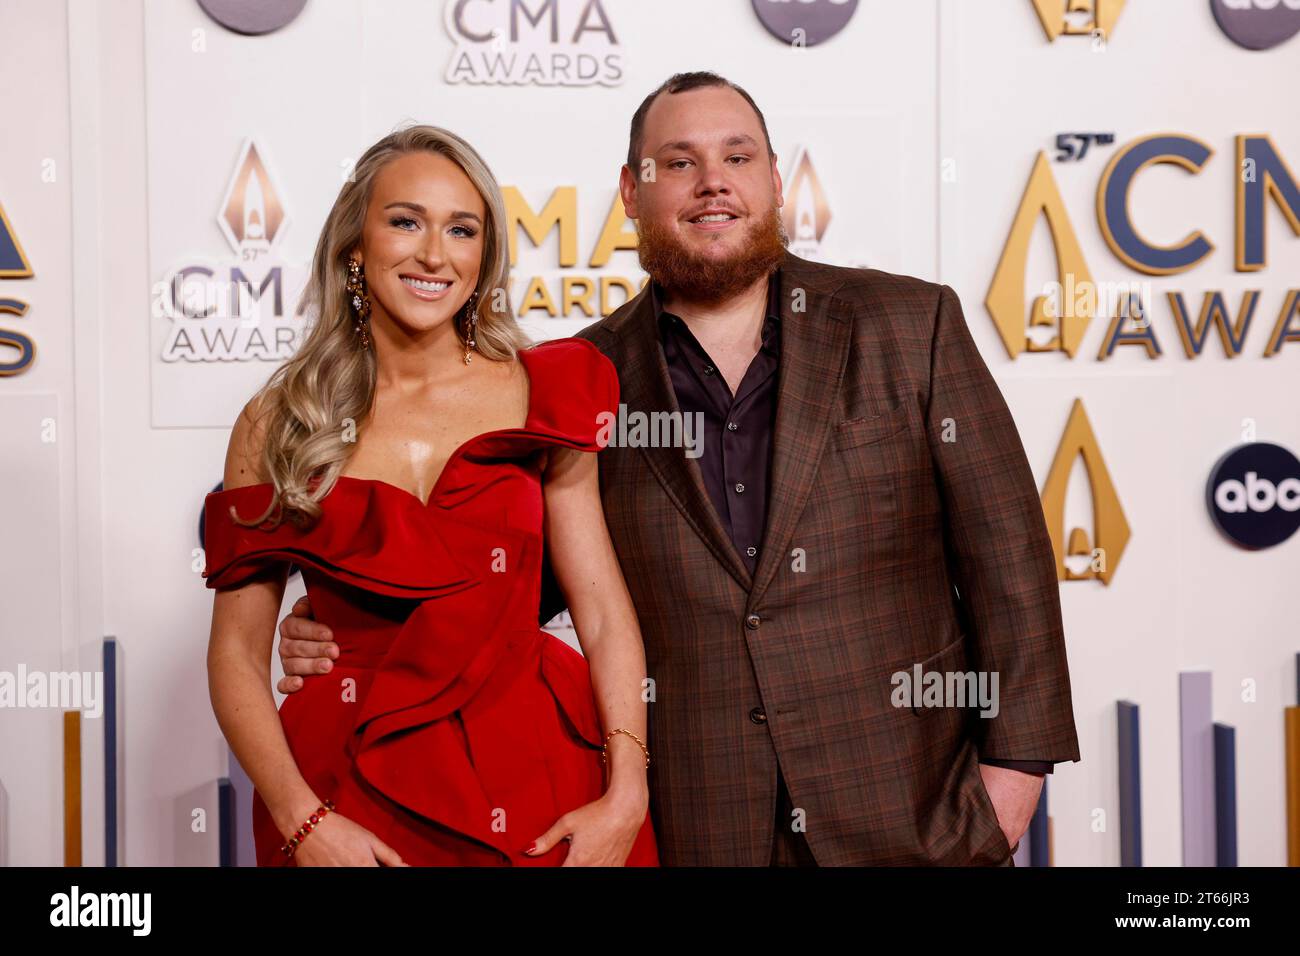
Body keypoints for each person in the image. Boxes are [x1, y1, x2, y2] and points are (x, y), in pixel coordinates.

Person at [277, 73, 1081, 866]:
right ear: (631, 190)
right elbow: (512, 585)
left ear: (774, 178)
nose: (712, 185)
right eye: (679, 162)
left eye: (737, 157)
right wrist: (354, 629)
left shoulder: (909, 324)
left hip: (912, 814)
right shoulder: (576, 380)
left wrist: (1012, 782)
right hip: (693, 822)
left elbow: (1008, 556)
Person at [203, 125, 658, 867]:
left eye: (462, 229)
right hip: (344, 787)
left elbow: (602, 610)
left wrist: (627, 790)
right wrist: (301, 820)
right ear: (356, 243)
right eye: (405, 221)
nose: (434, 254)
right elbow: (235, 654)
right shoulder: (279, 420)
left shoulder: (550, 388)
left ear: (484, 257)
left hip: (539, 769)